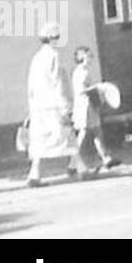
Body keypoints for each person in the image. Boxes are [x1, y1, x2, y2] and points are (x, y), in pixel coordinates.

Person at [25, 22, 75, 186]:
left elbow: (31, 85)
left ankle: (35, 174)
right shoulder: (53, 55)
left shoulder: (36, 57)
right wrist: (65, 105)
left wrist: (31, 106)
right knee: (66, 134)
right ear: (54, 38)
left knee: (40, 140)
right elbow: (57, 81)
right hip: (53, 104)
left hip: (39, 106)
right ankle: (77, 166)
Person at [71, 46, 118, 173]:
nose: (91, 58)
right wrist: (97, 89)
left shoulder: (84, 71)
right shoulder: (80, 72)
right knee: (84, 133)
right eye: (89, 56)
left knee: (98, 132)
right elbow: (82, 90)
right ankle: (72, 163)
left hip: (90, 105)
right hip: (84, 106)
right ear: (81, 57)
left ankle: (106, 158)